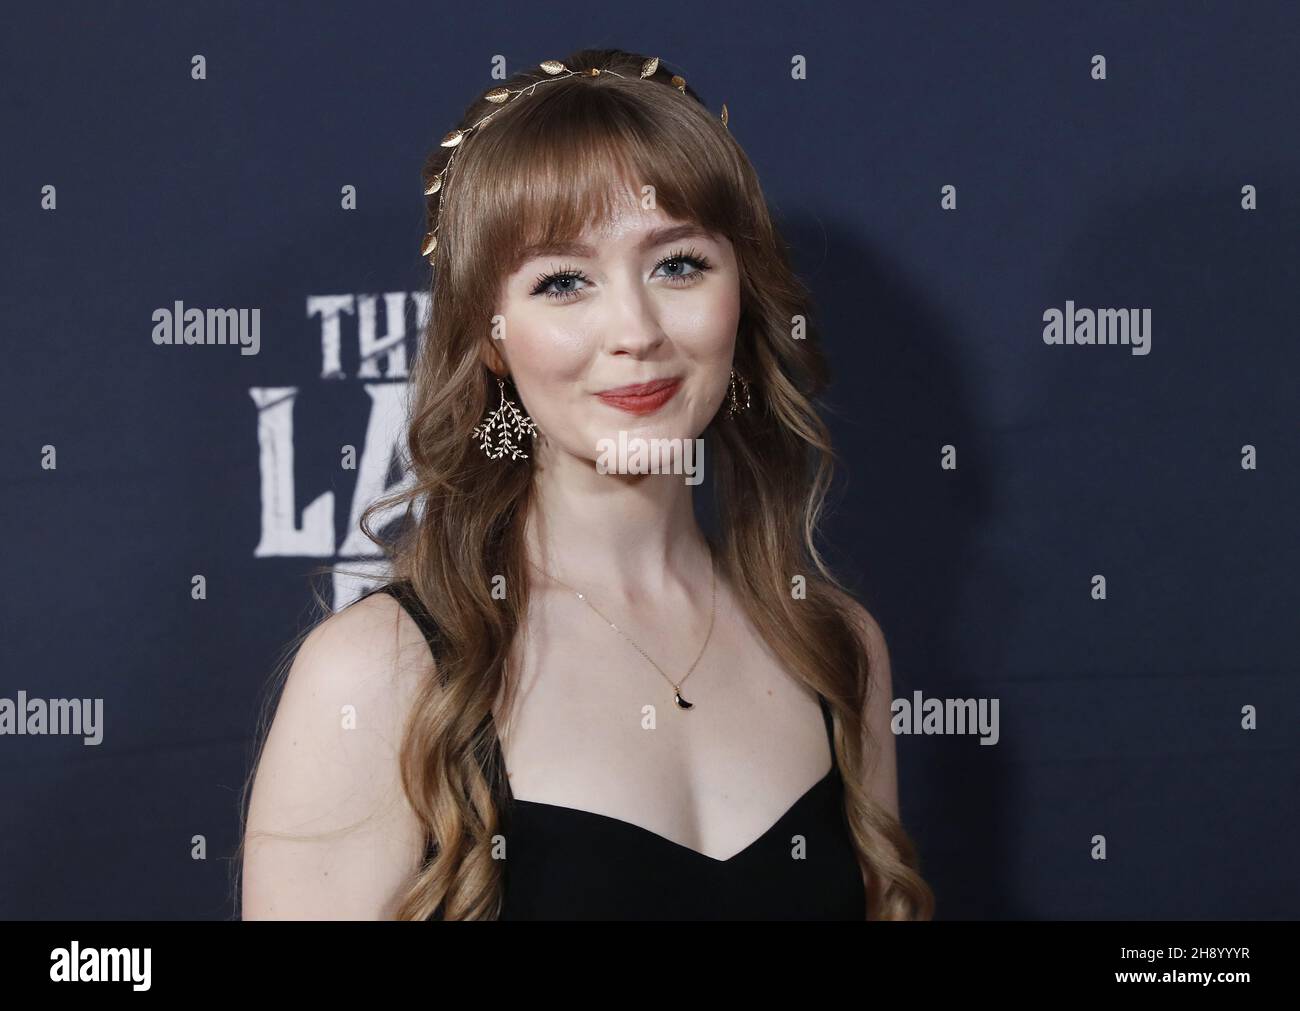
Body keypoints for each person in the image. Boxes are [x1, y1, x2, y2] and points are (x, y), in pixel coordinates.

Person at [238, 46, 933, 920]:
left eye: (678, 264)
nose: (634, 329)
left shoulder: (835, 647)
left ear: (742, 296)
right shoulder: (378, 678)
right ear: (491, 338)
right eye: (563, 281)